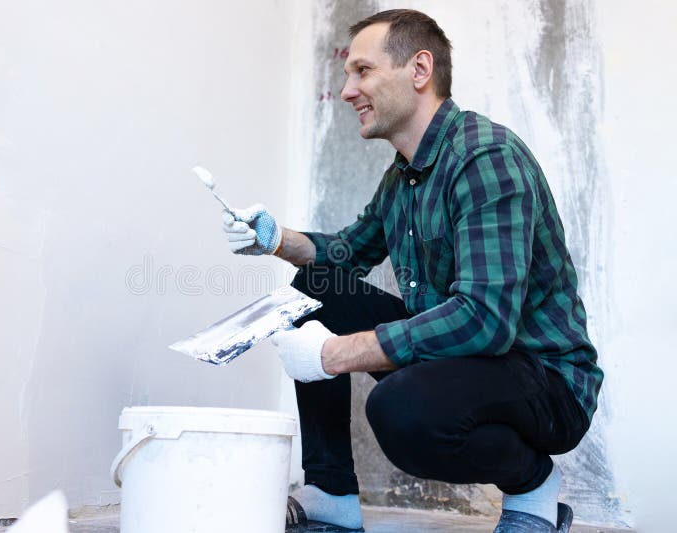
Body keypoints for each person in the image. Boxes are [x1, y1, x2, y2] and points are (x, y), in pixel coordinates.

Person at [221, 9, 602, 533]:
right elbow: (345, 255)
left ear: (419, 69)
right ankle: (331, 494)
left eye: (362, 71)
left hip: (545, 379)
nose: (348, 90)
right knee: (315, 287)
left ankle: (534, 490)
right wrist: (275, 239)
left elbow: (485, 320)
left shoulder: (485, 158)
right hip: (469, 361)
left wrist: (333, 355)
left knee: (400, 410)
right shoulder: (403, 177)